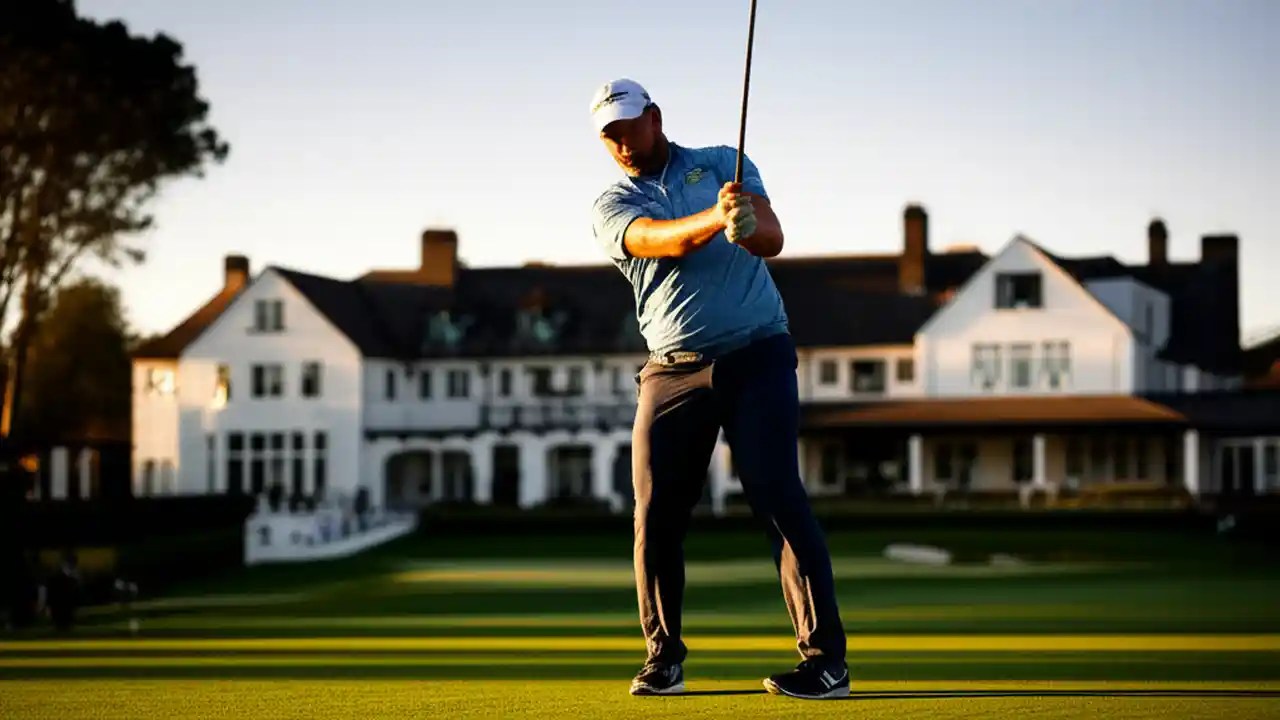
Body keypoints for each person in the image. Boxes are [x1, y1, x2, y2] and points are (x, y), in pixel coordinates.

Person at [588, 78, 849, 700]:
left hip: (757, 352)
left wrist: (747, 222)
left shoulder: (722, 165)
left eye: (629, 127)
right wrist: (716, 218)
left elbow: (771, 239)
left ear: (654, 117)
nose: (622, 143)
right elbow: (660, 240)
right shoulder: (610, 203)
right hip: (671, 370)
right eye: (610, 136)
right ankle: (663, 658)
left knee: (778, 497)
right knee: (654, 517)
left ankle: (826, 663)